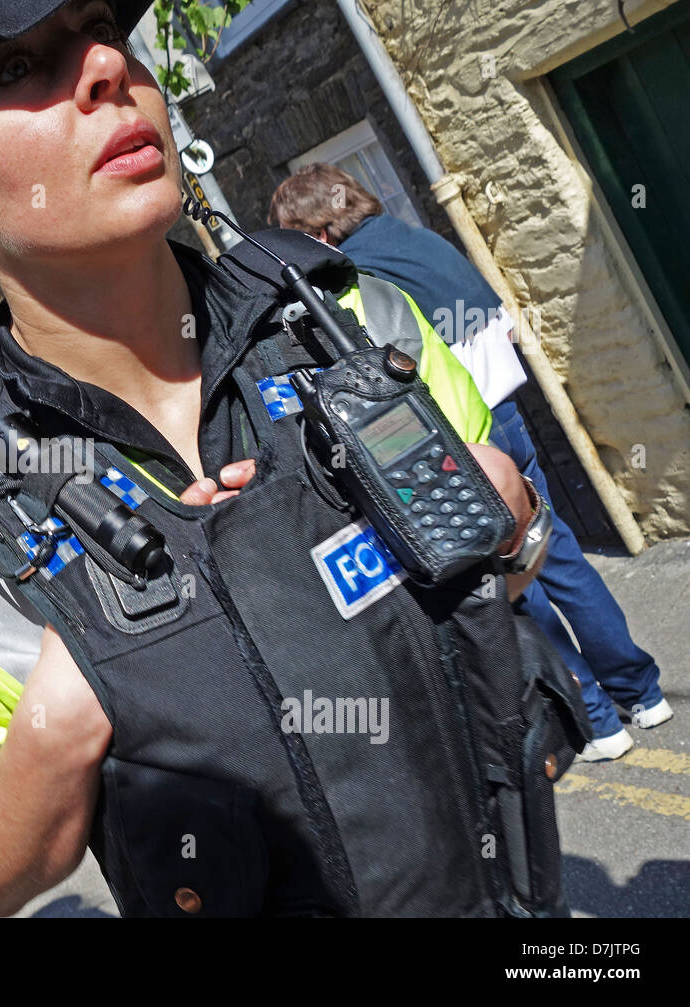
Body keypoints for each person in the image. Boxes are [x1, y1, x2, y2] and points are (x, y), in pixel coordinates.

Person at [0, 0, 588, 917]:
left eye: (99, 23)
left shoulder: (341, 320)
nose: (107, 63)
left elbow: (489, 588)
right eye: (17, 69)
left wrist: (519, 531)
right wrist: (61, 720)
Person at [268, 163, 672, 761]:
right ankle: (641, 691)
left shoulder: (360, 278)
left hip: (461, 435)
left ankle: (595, 722)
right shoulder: (415, 237)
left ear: (320, 233)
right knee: (556, 554)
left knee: (513, 580)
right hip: (505, 411)